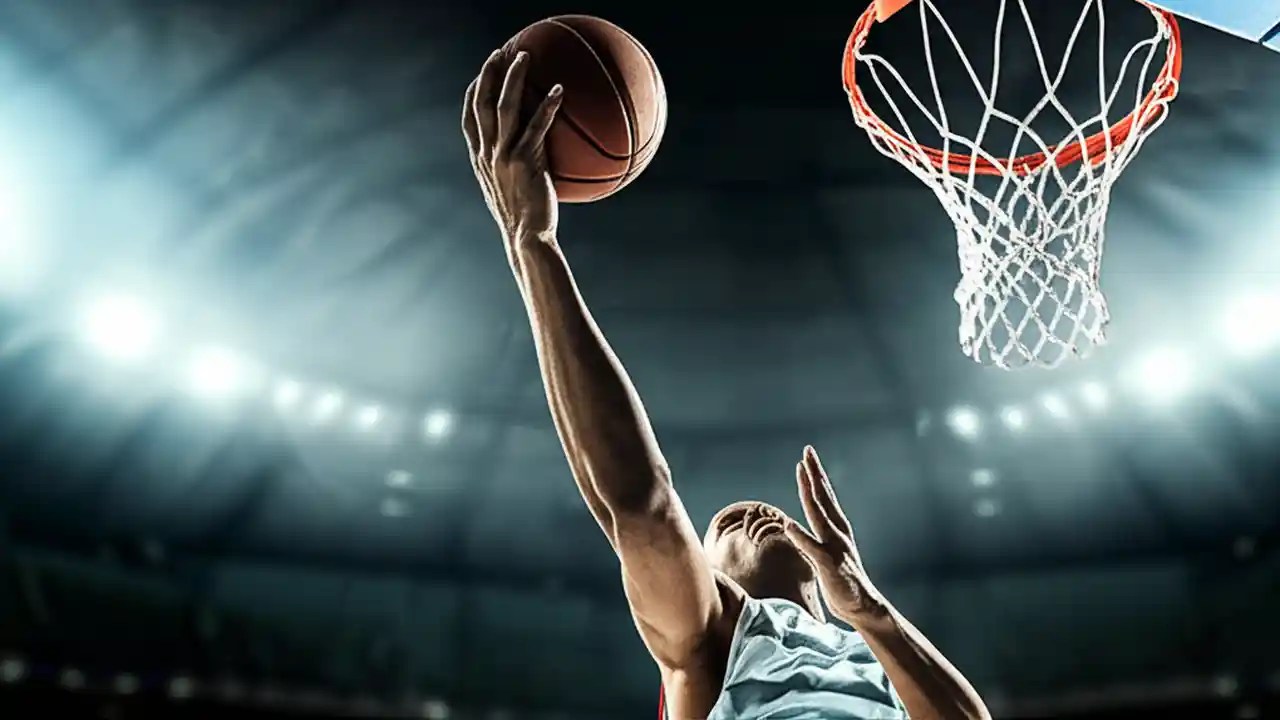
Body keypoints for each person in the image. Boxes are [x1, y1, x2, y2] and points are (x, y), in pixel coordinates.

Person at [461, 49, 993, 720]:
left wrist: (871, 612)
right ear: (705, 579)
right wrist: (531, 241)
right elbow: (641, 507)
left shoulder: (883, 655)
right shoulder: (713, 644)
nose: (754, 512)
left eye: (728, 520)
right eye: (725, 526)